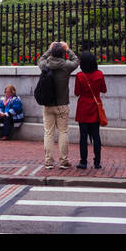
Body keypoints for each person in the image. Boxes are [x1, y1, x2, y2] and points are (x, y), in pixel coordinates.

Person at [37, 40, 79, 170]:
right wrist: (67, 49)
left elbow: (41, 59)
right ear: (62, 54)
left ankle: (48, 161)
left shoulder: (45, 65)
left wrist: (50, 49)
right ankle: (63, 161)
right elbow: (76, 61)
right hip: (62, 104)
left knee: (48, 133)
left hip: (48, 105)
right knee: (63, 132)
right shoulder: (66, 66)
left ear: (52, 53)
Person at [74, 51, 107, 171]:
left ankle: (83, 161)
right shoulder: (99, 74)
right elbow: (104, 89)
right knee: (96, 135)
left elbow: (77, 92)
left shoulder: (80, 76)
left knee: (83, 137)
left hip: (83, 107)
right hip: (95, 106)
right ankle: (97, 162)